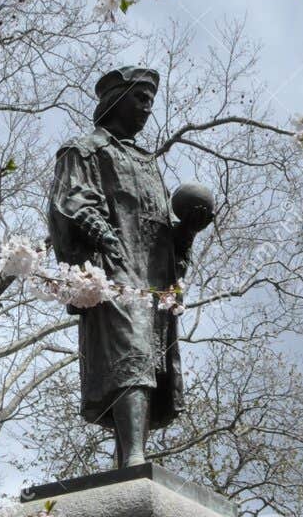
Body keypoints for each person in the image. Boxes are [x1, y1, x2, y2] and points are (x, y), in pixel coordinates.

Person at [47, 65, 214, 468]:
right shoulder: (84, 150)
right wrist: (103, 238)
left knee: (152, 362)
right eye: (140, 98)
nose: (147, 109)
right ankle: (135, 457)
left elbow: (158, 234)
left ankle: (129, 457)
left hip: (153, 279)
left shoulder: (145, 162)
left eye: (151, 102)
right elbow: (70, 201)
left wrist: (187, 230)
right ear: (114, 100)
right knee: (132, 353)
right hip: (113, 274)